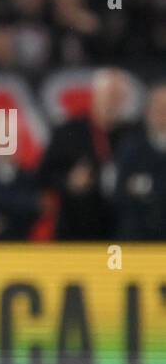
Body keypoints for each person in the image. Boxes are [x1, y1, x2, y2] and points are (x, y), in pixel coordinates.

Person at [37, 67, 132, 240]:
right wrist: (68, 182)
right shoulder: (68, 131)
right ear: (96, 95)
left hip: (119, 231)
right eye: (109, 95)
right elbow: (43, 175)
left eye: (118, 97)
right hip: (76, 229)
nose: (113, 102)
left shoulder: (132, 134)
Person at [113, 81, 166, 240]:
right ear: (148, 112)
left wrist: (148, 187)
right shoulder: (131, 147)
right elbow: (119, 191)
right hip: (137, 237)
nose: (162, 114)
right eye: (157, 108)